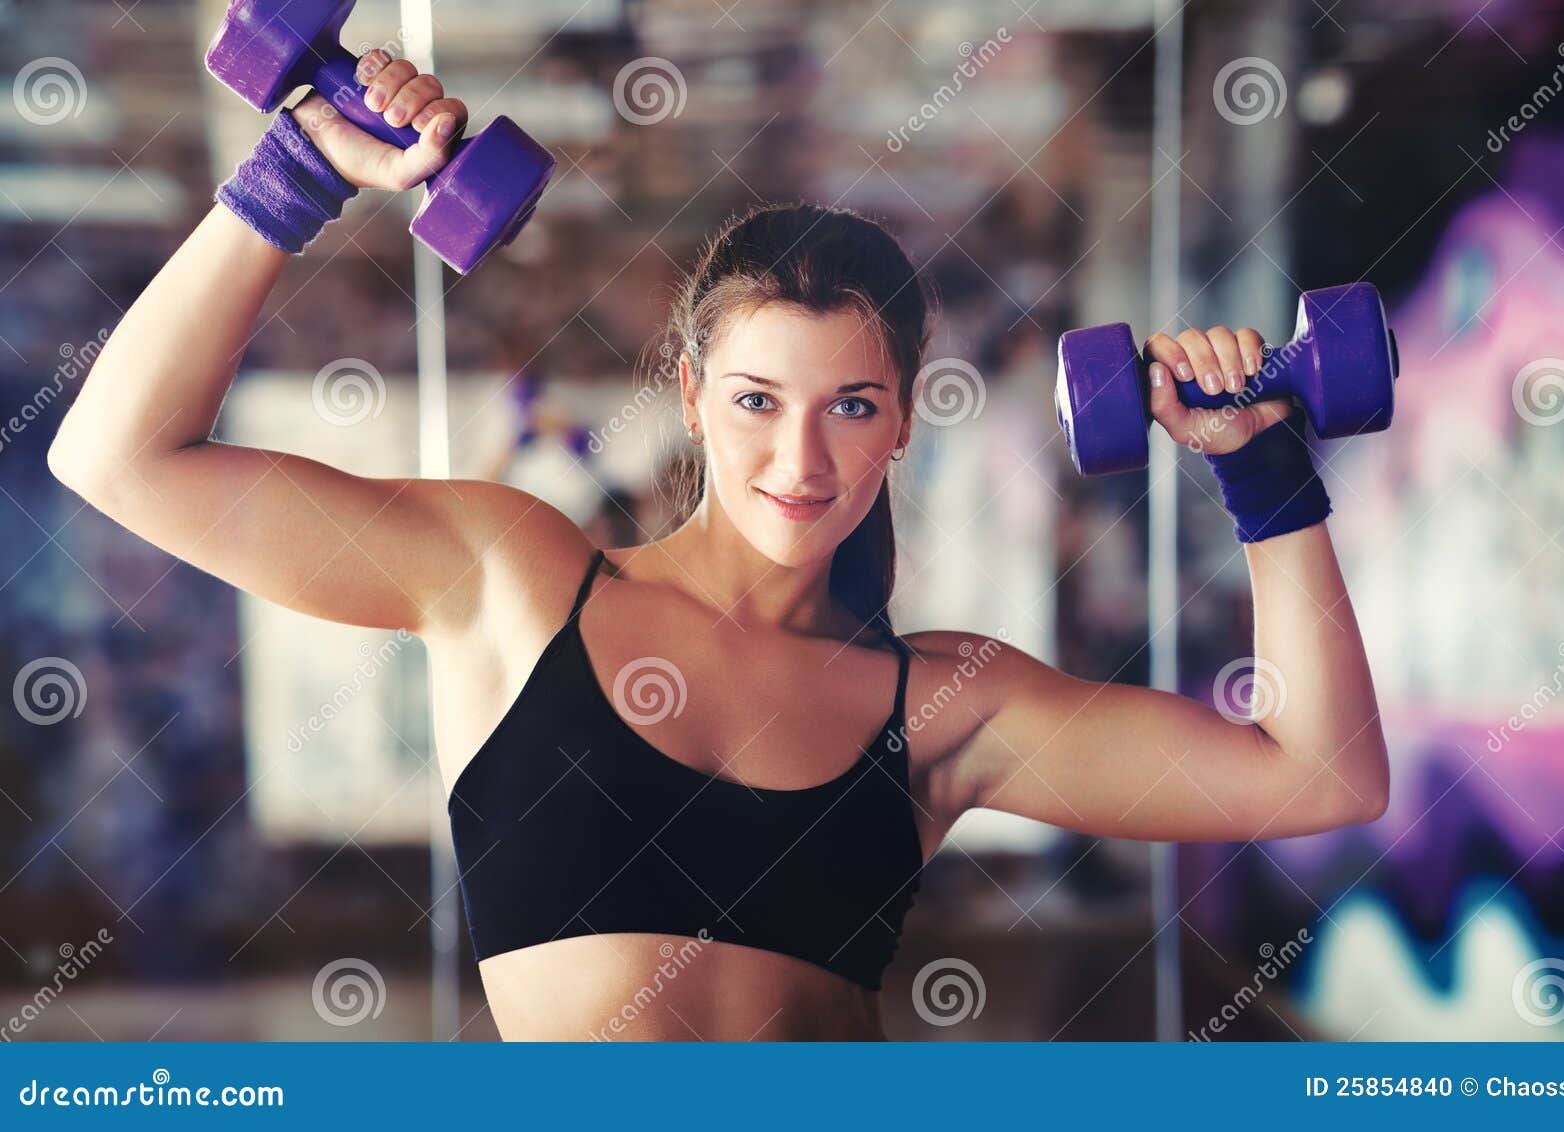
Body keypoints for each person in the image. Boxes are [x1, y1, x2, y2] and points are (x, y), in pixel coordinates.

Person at [47, 52, 1389, 1041]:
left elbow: (1320, 779)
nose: (799, 463)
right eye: (757, 402)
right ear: (691, 397)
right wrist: (291, 175)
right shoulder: (510, 579)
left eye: (850, 407)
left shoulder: (946, 705)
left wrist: (1262, 467)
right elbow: (117, 458)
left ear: (904, 421)